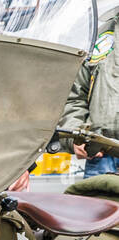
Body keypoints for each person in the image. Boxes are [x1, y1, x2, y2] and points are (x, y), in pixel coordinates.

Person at [61, 7, 119, 177]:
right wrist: (75, 136)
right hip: (101, 156)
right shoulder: (99, 36)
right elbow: (74, 95)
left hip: (100, 159)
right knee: (99, 203)